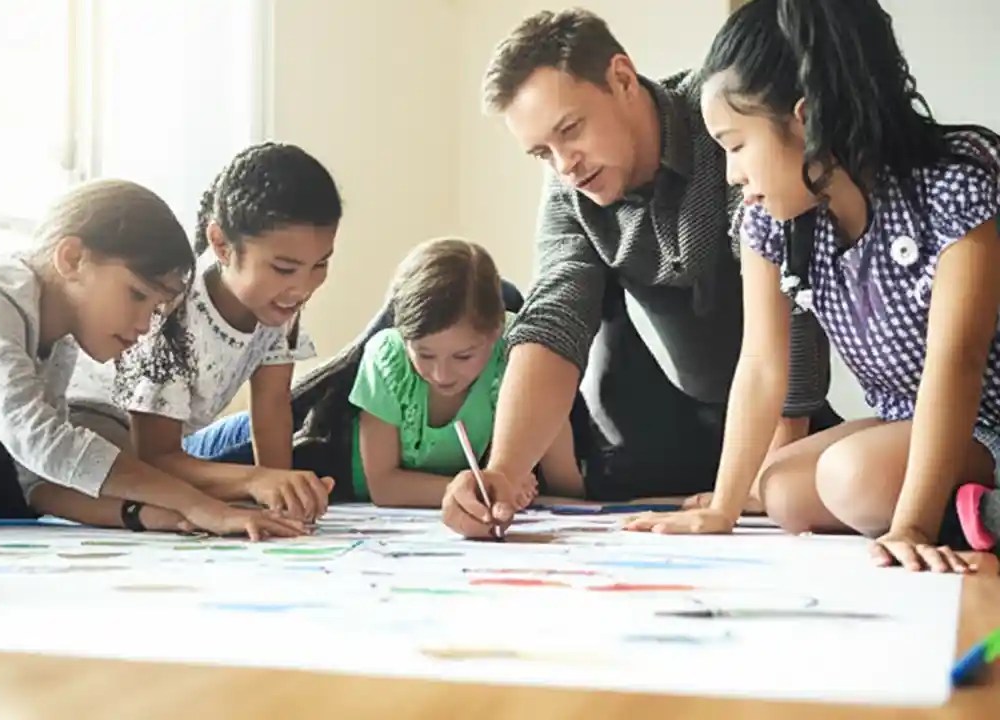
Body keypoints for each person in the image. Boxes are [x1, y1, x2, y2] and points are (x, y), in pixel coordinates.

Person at [623, 0, 1000, 573]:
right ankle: (956, 504)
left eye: (736, 145)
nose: (731, 174)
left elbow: (958, 361)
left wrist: (912, 525)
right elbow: (760, 365)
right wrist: (724, 506)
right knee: (780, 489)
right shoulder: (773, 221)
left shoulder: (953, 183)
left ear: (805, 120)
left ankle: (983, 513)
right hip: (904, 419)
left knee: (853, 478)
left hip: (984, 421)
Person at [441, 8, 842, 537]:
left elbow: (787, 311)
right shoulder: (568, 189)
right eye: (543, 152)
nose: (565, 165)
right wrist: (501, 473)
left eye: (571, 129)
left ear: (622, 78)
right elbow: (553, 320)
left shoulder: (724, 120)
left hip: (778, 419)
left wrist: (760, 485)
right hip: (650, 440)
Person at [0, 179, 304, 541]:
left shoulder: (57, 346)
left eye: (157, 311)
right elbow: (39, 442)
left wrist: (159, 515)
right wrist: (197, 503)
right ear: (71, 258)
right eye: (136, 296)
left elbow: (40, 479)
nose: (144, 325)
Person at [70, 142, 339, 523]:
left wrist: (282, 494)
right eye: (283, 268)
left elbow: (273, 407)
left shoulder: (279, 306)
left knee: (301, 424)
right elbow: (155, 458)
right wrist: (256, 480)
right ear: (222, 245)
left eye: (320, 265)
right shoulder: (170, 312)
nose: (303, 288)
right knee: (164, 494)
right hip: (101, 429)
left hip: (182, 444)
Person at [349, 238, 582, 507]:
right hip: (362, 504)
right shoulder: (386, 357)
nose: (441, 374)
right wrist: (489, 488)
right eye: (424, 354)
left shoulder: (519, 350)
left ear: (496, 332)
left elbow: (566, 484)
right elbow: (384, 487)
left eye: (463, 356)